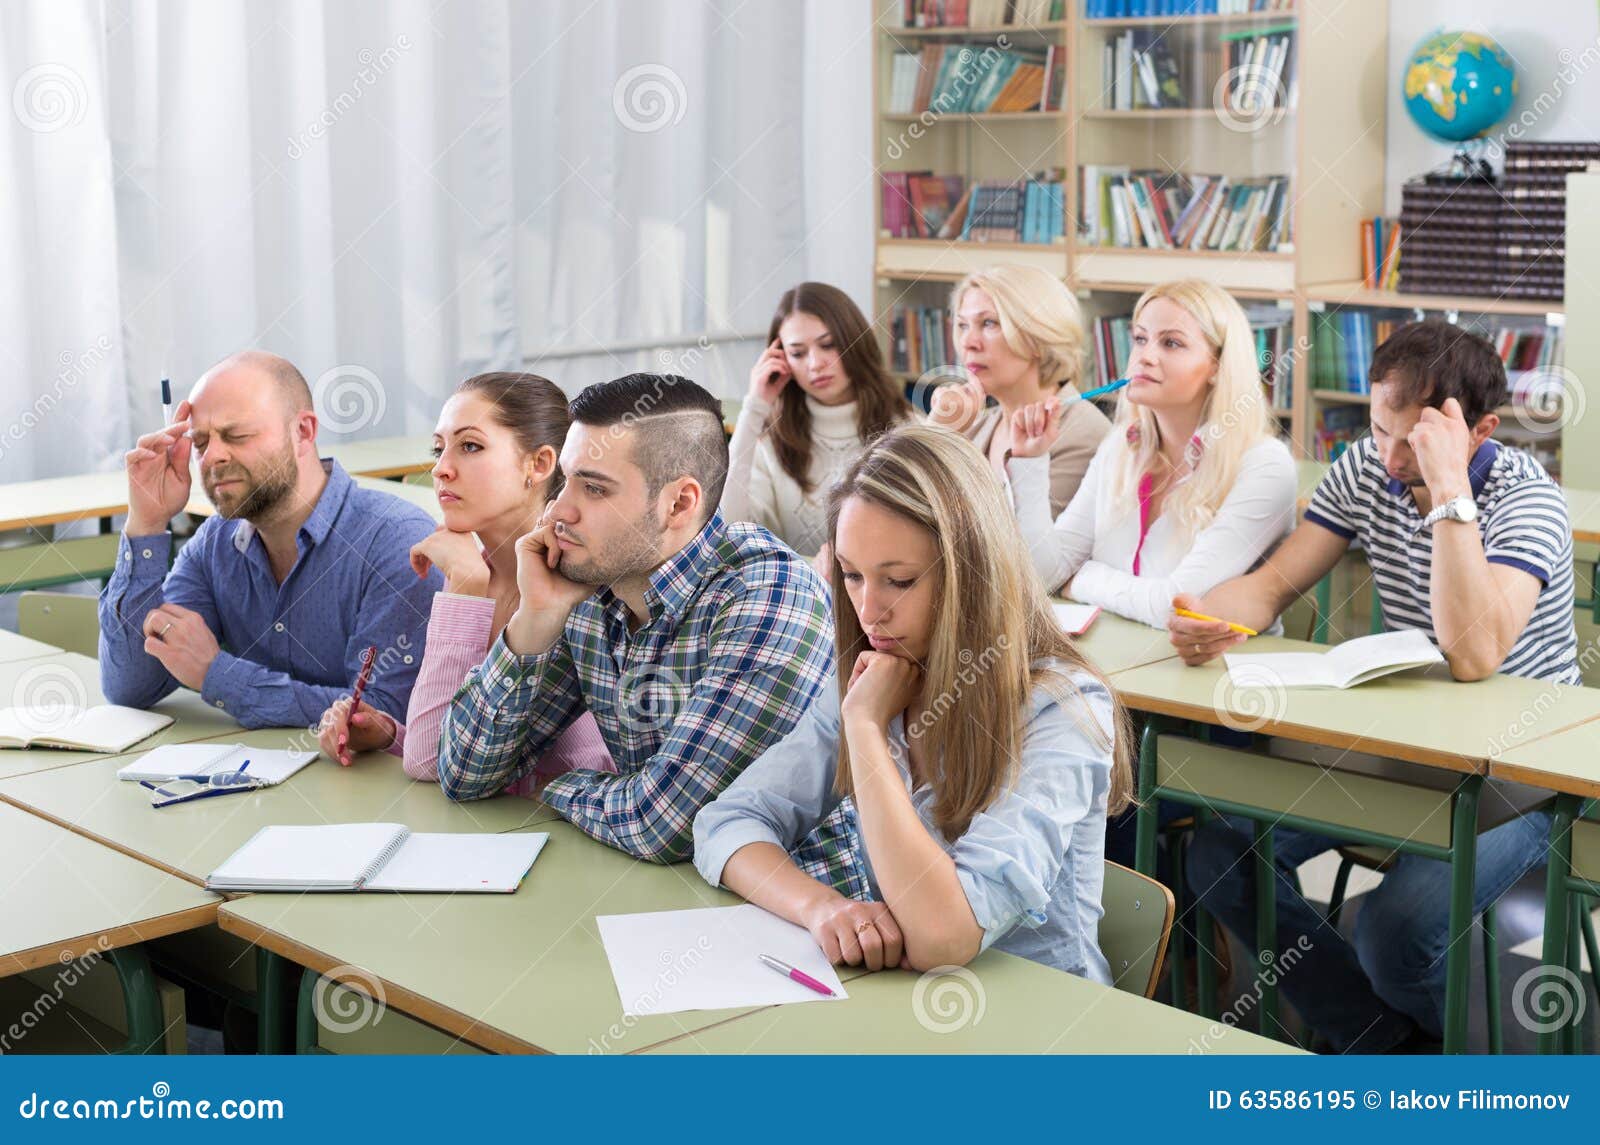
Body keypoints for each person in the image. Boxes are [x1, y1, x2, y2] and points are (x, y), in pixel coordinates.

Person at [1173, 320, 1579, 1051]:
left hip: (1521, 769)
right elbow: (1271, 586)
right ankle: (1384, 1042)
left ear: (1479, 430)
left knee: (1394, 937)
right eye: (1378, 429)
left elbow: (1473, 654)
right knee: (1220, 854)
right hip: (1405, 744)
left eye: (1413, 443)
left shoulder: (1529, 500)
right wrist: (1201, 618)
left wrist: (1449, 488)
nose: (1388, 459)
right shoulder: (1367, 465)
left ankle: (1441, 1058)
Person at [694, 424, 1132, 978]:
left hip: (1042, 1016)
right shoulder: (877, 677)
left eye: (899, 581)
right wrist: (821, 908)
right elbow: (725, 824)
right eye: (851, 575)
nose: (867, 611)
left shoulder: (1060, 709)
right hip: (903, 1002)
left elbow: (942, 939)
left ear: (973, 574)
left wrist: (864, 727)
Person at [435, 373, 862, 894]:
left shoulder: (769, 594)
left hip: (806, 918)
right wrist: (535, 616)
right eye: (564, 481)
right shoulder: (592, 591)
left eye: (594, 488)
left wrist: (555, 787)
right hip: (663, 901)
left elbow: (662, 825)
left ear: (679, 504)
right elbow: (463, 772)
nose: (558, 511)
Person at [99, 350, 439, 729]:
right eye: (200, 442)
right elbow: (130, 687)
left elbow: (383, 715)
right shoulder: (214, 543)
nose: (213, 457)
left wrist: (216, 673)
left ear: (303, 432)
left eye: (237, 435)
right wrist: (145, 523)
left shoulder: (397, 542)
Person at [315, 373, 613, 790]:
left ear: (539, 464)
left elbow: (429, 763)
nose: (441, 469)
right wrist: (389, 736)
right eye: (438, 449)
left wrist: (464, 589)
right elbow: (447, 753)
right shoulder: (473, 569)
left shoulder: (575, 587)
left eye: (470, 446)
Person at [1007, 278, 1297, 625]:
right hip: (1117, 652)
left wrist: (1083, 578)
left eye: (1171, 343)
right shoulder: (1120, 446)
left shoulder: (1265, 466)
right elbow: (1042, 576)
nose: (1145, 357)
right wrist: (1031, 462)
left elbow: (1176, 606)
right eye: (1140, 339)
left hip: (1215, 659)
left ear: (1218, 367)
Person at [722, 282, 916, 563]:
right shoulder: (772, 443)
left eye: (828, 345)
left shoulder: (909, 429)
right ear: (782, 359)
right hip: (794, 590)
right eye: (798, 353)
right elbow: (727, 532)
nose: (815, 363)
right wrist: (754, 407)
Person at [928, 264, 1110, 515]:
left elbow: (1016, 539)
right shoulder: (973, 426)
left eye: (989, 323)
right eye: (962, 325)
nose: (968, 343)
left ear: (1038, 336)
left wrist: (937, 442)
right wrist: (935, 434)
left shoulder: (1084, 435)